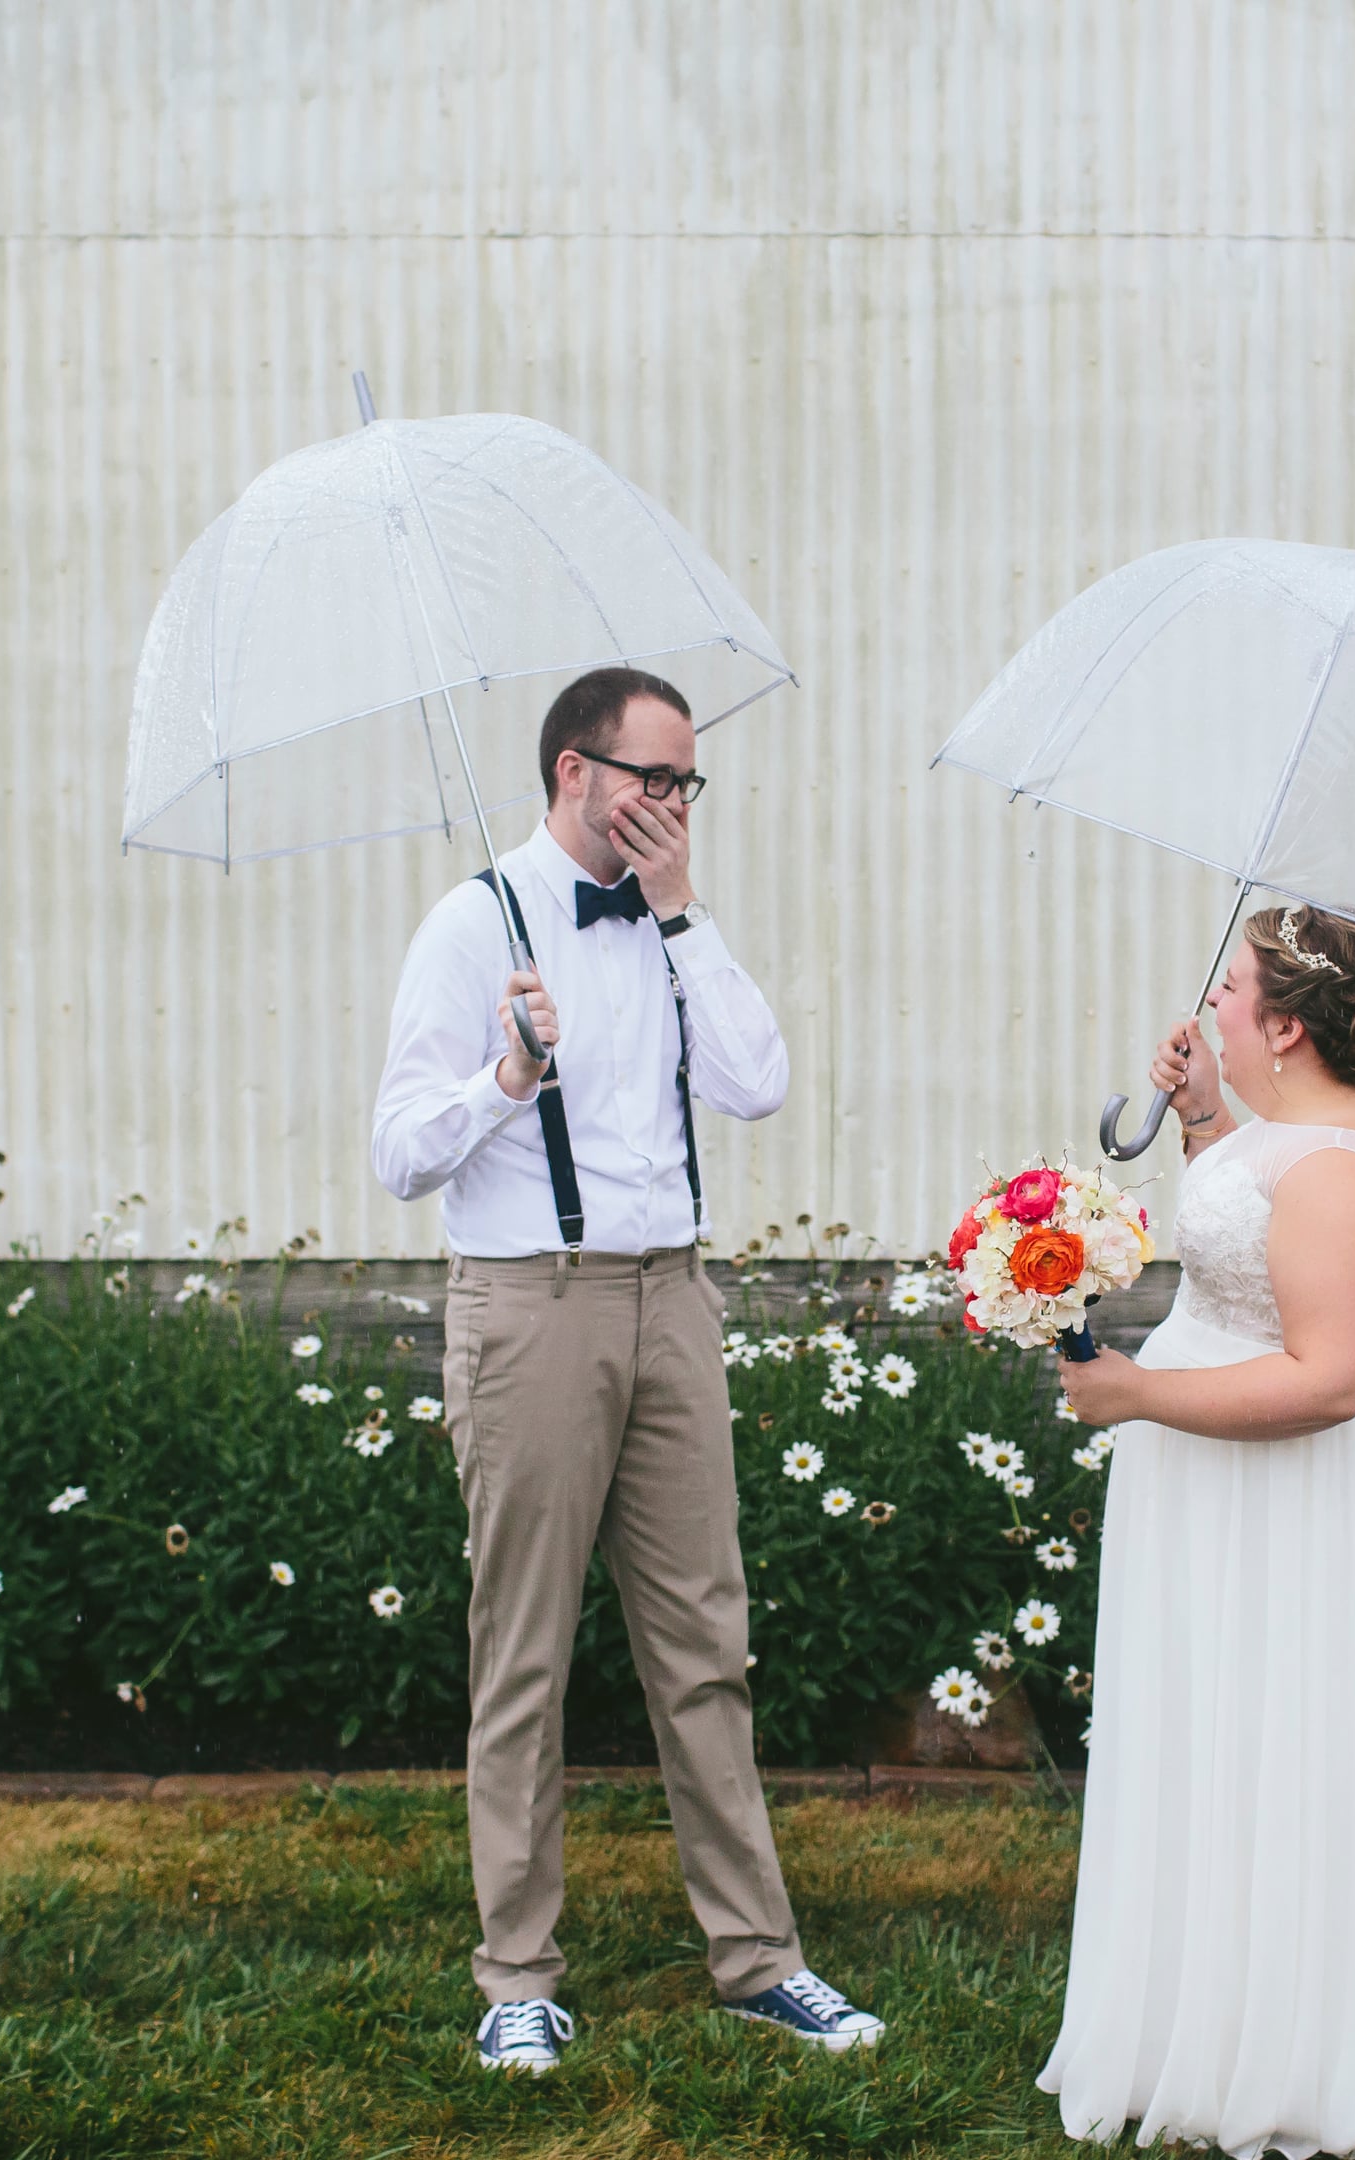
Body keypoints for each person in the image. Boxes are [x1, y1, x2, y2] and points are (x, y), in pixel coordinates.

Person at [370, 665, 884, 2073]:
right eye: (650, 777)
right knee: (523, 1652)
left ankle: (760, 1959)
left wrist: (682, 919)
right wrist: (503, 1082)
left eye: (685, 782)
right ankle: (518, 1975)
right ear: (571, 773)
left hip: (676, 1298)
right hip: (533, 1306)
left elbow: (757, 1080)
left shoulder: (668, 926)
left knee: (705, 1643)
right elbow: (399, 1149)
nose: (670, 804)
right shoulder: (474, 926)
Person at [1043, 904, 1355, 2156]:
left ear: (1289, 1026)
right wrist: (1208, 1113)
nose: (1211, 1000)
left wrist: (1138, 1393)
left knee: (1303, 1749)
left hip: (1308, 1489)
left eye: (1233, 990)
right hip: (1238, 1490)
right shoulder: (1318, 1125)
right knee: (1244, 1737)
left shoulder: (1335, 1172)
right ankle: (1212, 2016)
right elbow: (1257, 1229)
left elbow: (1328, 1378)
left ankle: (1303, 2058)